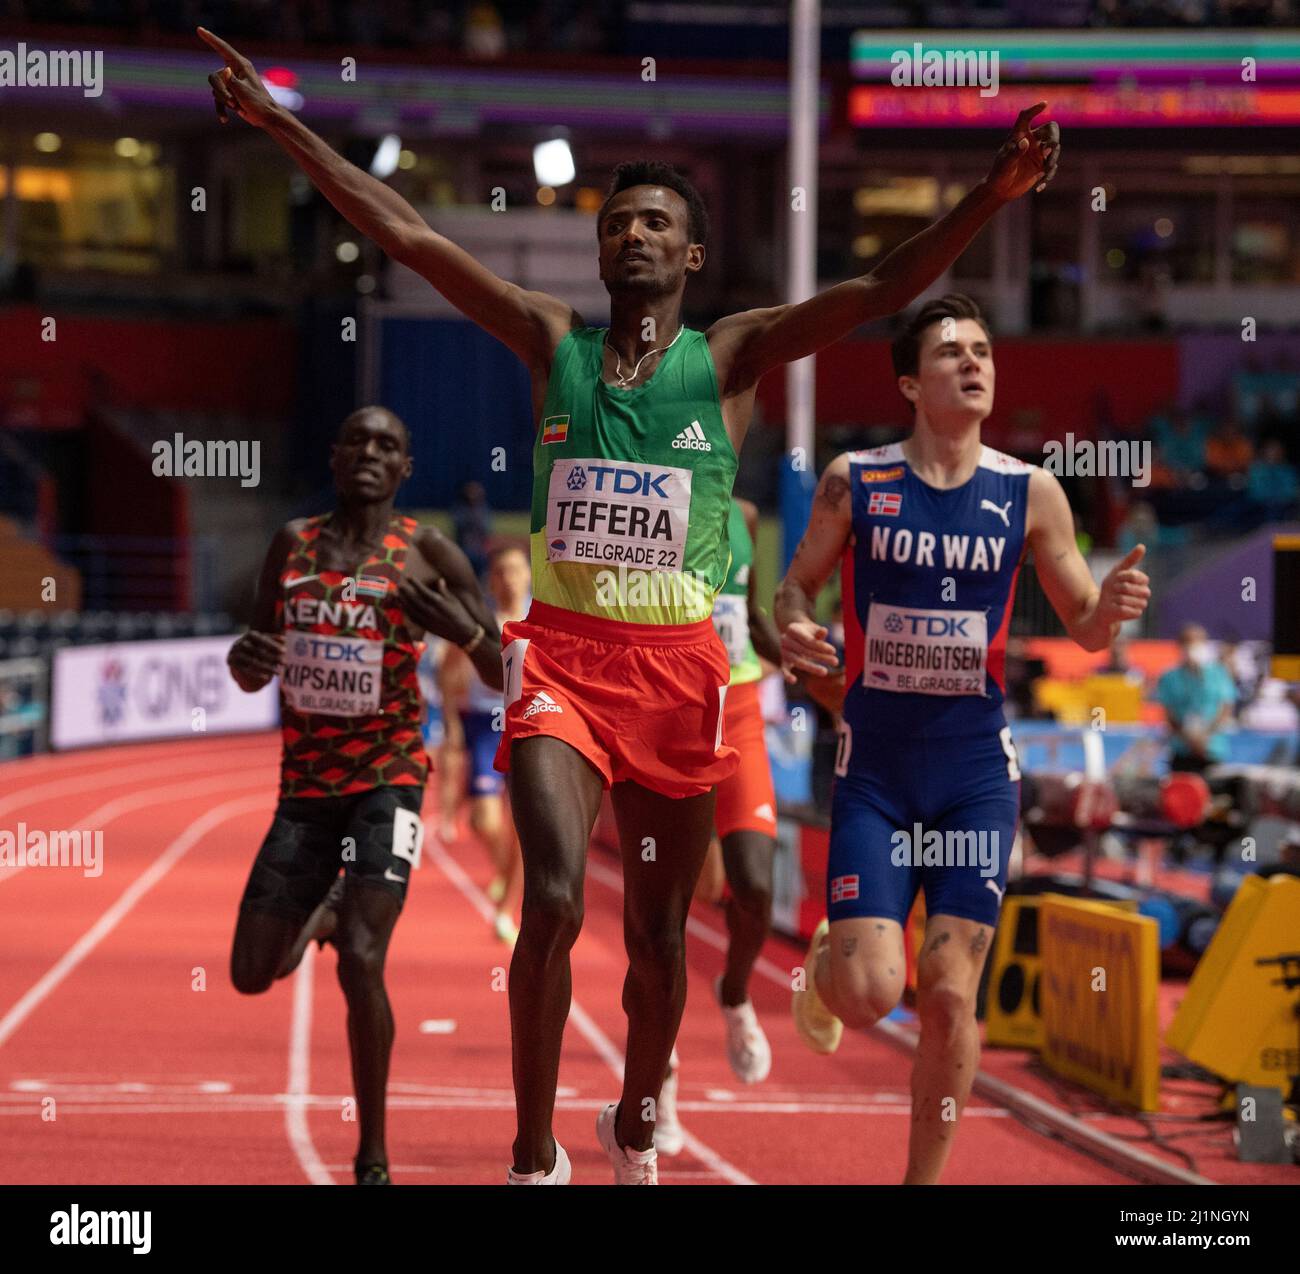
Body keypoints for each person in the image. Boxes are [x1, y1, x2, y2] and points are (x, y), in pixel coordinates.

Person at [201, 27, 1059, 1184]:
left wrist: (990, 194)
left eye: (655, 222)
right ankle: (530, 1149)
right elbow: (405, 232)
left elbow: (876, 289)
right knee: (553, 898)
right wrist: (279, 124)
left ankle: (636, 1113)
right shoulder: (549, 337)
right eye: (617, 223)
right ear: (600, 251)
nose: (634, 235)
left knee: (657, 941)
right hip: (561, 662)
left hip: (679, 677)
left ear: (691, 252)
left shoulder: (733, 356)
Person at [776, 294, 1150, 1184]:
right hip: (876, 773)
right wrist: (793, 627)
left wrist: (1111, 611)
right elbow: (796, 587)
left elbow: (1084, 624)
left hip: (975, 774)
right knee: (870, 994)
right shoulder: (856, 480)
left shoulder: (1030, 491)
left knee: (947, 991)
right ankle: (831, 965)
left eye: (983, 349)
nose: (974, 362)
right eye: (951, 353)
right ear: (910, 383)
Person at [226, 406, 500, 1185]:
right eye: (358, 441)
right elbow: (252, 664)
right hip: (305, 789)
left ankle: (371, 1153)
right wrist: (243, 661)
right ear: (335, 455)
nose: (371, 454)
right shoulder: (292, 543)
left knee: (362, 958)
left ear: (405, 467)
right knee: (251, 972)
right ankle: (324, 908)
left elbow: (500, 669)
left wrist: (464, 631)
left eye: (388, 446)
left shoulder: (428, 550)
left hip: (389, 780)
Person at [655, 498, 783, 1156]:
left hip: (741, 711)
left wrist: (801, 658)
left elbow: (749, 612)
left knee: (755, 888)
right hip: (671, 713)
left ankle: (733, 993)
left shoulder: (747, 515)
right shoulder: (653, 494)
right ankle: (661, 1078)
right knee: (666, 912)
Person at [439, 543, 531, 943]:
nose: (509, 579)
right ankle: (505, 870)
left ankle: (506, 912)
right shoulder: (481, 621)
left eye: (516, 570)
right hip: (484, 724)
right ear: (491, 580)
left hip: (530, 724)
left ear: (529, 575)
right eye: (501, 572)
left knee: (526, 829)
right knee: (484, 821)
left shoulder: (540, 619)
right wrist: (451, 722)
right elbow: (448, 669)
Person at [1156, 623, 1236, 774]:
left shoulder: (1219, 673)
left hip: (1212, 749)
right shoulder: (1169, 677)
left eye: (1197, 642)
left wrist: (1205, 737)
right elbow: (1169, 714)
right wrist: (1189, 740)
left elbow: (1226, 708)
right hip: (1181, 750)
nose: (1192, 647)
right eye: (1187, 642)